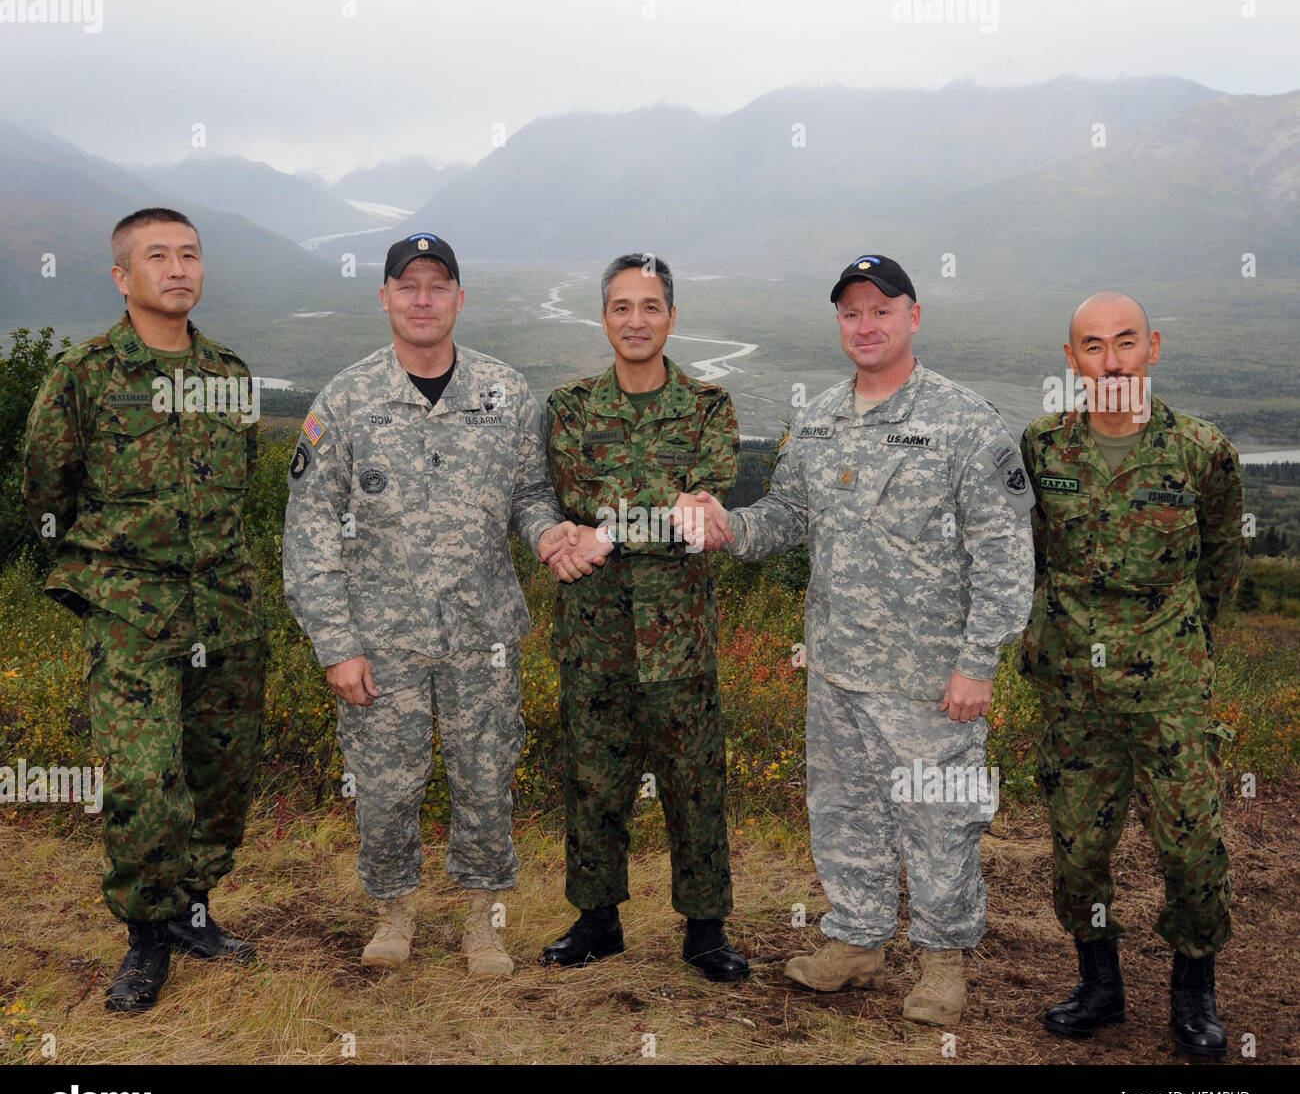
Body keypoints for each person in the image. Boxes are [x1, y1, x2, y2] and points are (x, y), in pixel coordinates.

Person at [687, 254, 1033, 1022]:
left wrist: (979, 664)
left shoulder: (962, 421)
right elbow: (787, 518)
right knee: (844, 812)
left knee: (939, 820)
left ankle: (942, 962)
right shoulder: (820, 420)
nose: (865, 324)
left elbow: (1007, 554)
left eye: (881, 309)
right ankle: (857, 937)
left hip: (931, 679)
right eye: (851, 312)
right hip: (837, 668)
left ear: (913, 316)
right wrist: (726, 527)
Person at [282, 233, 588, 977]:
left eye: (438, 285)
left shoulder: (505, 393)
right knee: (386, 788)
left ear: (459, 298)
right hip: (379, 643)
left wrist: (550, 536)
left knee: (485, 782)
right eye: (408, 285)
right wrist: (335, 644)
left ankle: (482, 921)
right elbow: (310, 530)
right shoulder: (346, 400)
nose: (423, 299)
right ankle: (394, 911)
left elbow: (529, 496)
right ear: (384, 297)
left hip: (482, 635)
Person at [23, 207, 266, 1012]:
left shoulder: (231, 372)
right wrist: (93, 588)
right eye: (157, 256)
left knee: (220, 779)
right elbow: (46, 497)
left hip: (226, 613)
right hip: (132, 618)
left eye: (190, 255)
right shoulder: (84, 376)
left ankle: (193, 908)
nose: (178, 269)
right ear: (123, 277)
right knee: (144, 780)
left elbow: (240, 489)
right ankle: (144, 935)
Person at [1019, 291, 1246, 1059]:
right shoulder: (1043, 445)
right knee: (1080, 850)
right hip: (1074, 688)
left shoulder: (1200, 449)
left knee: (1191, 847)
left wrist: (1181, 639)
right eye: (1092, 346)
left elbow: (1220, 563)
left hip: (1170, 688)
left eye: (1124, 343)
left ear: (1155, 347)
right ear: (1070, 358)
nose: (1110, 362)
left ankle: (1194, 995)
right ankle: (1099, 985)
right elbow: (1030, 554)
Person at [539, 253, 749, 982]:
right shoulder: (568, 409)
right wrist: (639, 518)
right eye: (622, 307)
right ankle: (597, 920)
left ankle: (706, 928)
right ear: (604, 317)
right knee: (594, 779)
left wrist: (609, 529)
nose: (636, 320)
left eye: (650, 306)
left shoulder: (708, 408)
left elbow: (704, 520)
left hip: (679, 641)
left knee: (695, 783)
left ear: (671, 317)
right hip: (593, 635)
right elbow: (572, 506)